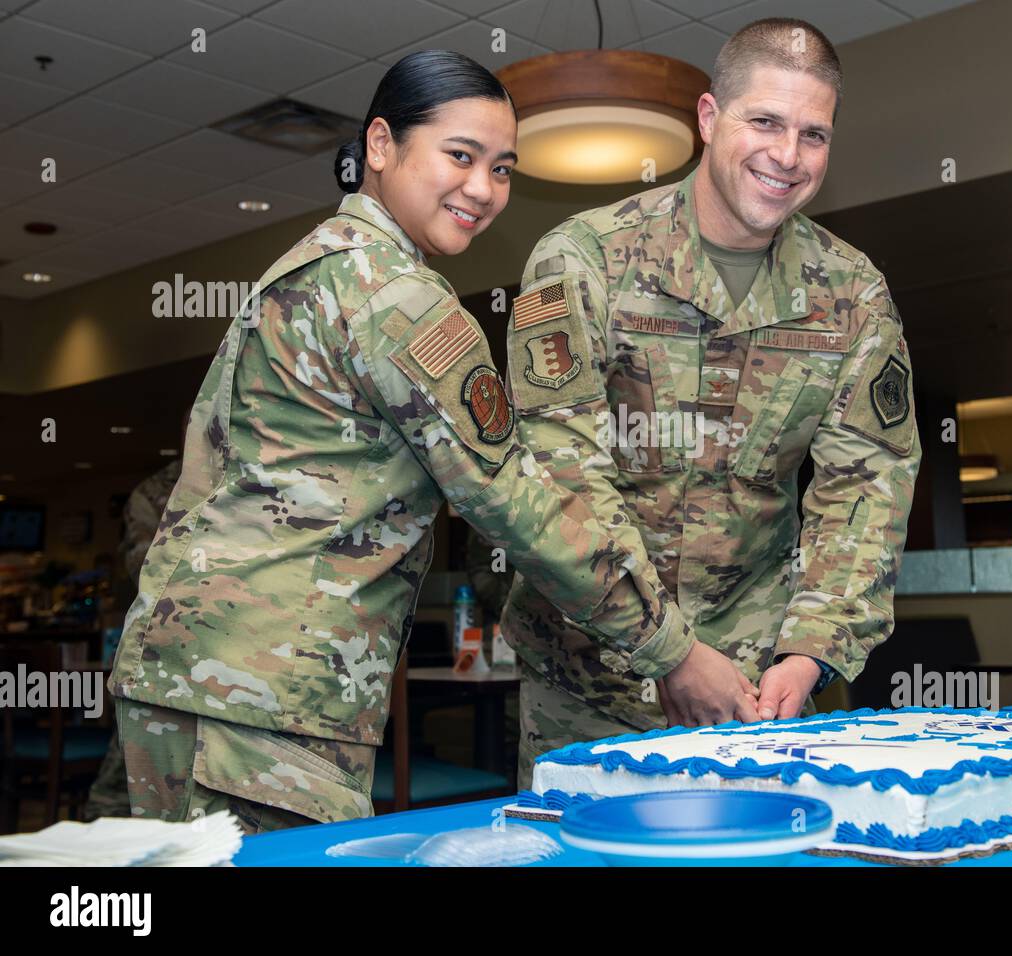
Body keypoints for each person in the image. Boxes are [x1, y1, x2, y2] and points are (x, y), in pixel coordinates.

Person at [107, 51, 702, 835]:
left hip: (201, 672)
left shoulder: (311, 267)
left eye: (503, 168)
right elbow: (513, 502)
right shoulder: (397, 296)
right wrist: (675, 652)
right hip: (262, 693)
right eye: (460, 156)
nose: (484, 189)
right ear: (381, 145)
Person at [504, 18, 921, 787]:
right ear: (707, 118)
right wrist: (668, 651)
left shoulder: (852, 292)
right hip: (590, 685)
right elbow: (557, 480)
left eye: (814, 134)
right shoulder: (583, 258)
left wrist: (812, 650)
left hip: (760, 695)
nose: (787, 157)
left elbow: (867, 485)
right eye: (764, 121)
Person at [83, 457, 182, 821]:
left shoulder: (257, 463)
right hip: (160, 646)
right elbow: (143, 566)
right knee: (128, 768)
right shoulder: (156, 491)